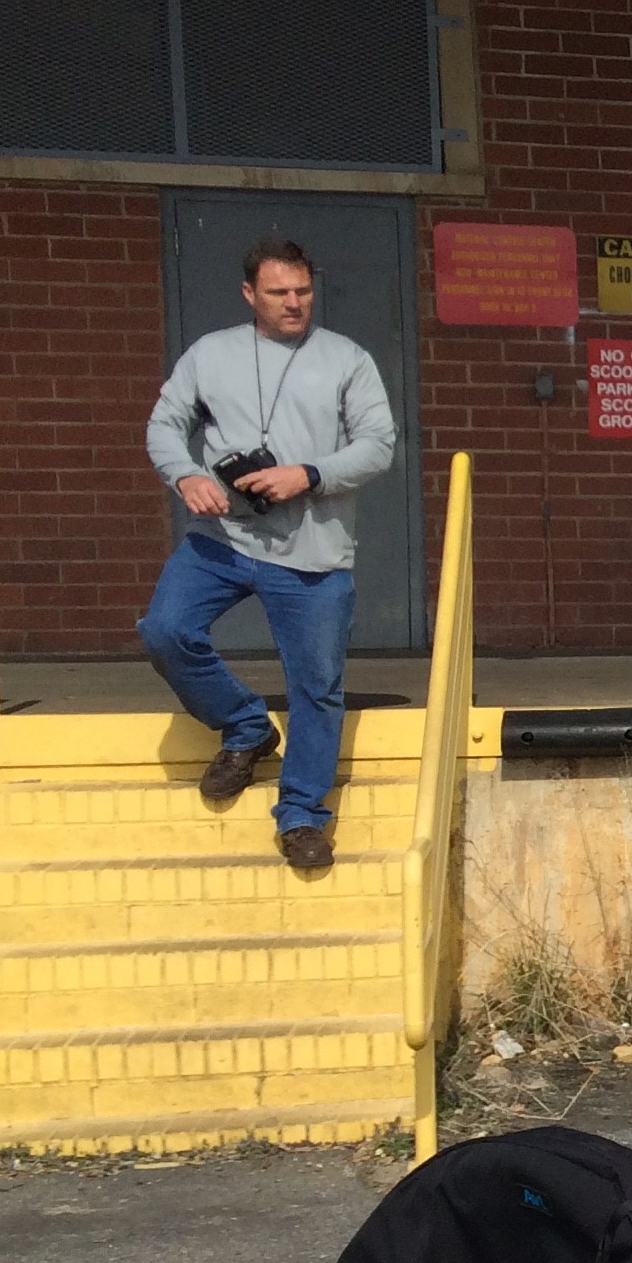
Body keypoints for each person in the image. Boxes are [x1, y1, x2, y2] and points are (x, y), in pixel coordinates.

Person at [140, 235, 399, 869]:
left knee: (315, 686)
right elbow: (165, 423)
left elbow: (379, 444)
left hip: (313, 548)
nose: (293, 303)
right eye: (279, 292)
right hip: (222, 538)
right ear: (249, 293)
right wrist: (185, 475)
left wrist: (307, 474)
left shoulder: (346, 359)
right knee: (166, 630)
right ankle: (246, 727)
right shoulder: (211, 353)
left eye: (303, 291)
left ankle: (303, 815)